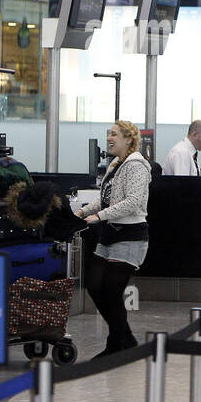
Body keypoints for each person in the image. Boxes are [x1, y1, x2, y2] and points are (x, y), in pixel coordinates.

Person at [76, 121, 152, 358]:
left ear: (129, 139)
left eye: (114, 134)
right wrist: (83, 212)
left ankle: (115, 345)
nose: (109, 138)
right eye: (109, 133)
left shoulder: (137, 165)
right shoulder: (115, 165)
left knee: (111, 290)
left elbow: (133, 201)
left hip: (130, 235)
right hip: (110, 234)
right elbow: (106, 198)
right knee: (94, 284)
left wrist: (99, 216)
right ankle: (126, 340)